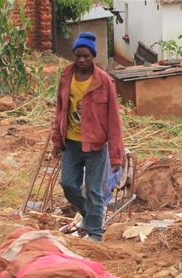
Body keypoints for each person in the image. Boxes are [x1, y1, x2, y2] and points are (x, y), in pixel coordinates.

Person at [51, 32, 124, 242]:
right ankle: (89, 217)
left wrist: (116, 156)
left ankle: (95, 234)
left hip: (95, 146)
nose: (81, 60)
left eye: (86, 56)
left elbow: (114, 121)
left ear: (93, 56)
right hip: (71, 143)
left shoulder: (104, 82)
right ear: (74, 55)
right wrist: (56, 138)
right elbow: (60, 109)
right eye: (78, 55)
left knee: (94, 190)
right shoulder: (66, 76)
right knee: (68, 185)